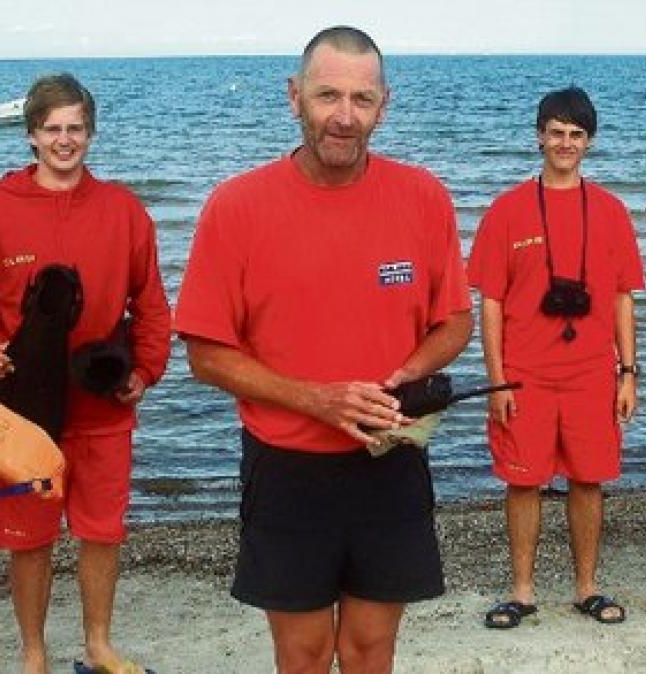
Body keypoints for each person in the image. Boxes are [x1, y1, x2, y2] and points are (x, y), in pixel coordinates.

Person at [174, 25, 472, 674]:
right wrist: (316, 399)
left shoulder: (422, 196)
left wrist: (405, 376)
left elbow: (454, 321)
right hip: (286, 466)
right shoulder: (236, 205)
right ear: (294, 97)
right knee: (304, 653)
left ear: (383, 105)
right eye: (326, 95)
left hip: (388, 457)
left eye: (361, 100)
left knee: (370, 650)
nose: (343, 117)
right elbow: (205, 352)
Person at [0, 74, 171, 674]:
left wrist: (147, 370)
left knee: (101, 531)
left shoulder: (122, 210)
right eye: (52, 128)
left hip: (101, 404)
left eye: (75, 127)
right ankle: (33, 654)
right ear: (30, 135)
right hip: (23, 409)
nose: (64, 139)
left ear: (91, 133)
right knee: (30, 537)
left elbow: (151, 305)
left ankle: (99, 645)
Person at [468, 87, 644, 628]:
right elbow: (490, 301)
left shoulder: (611, 211)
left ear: (589, 142)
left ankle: (586, 587)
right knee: (523, 480)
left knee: (588, 479)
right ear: (540, 135)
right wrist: (496, 381)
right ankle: (522, 591)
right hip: (525, 375)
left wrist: (629, 372)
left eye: (576, 134)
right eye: (557, 132)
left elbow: (621, 298)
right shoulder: (507, 209)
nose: (565, 143)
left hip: (591, 373)